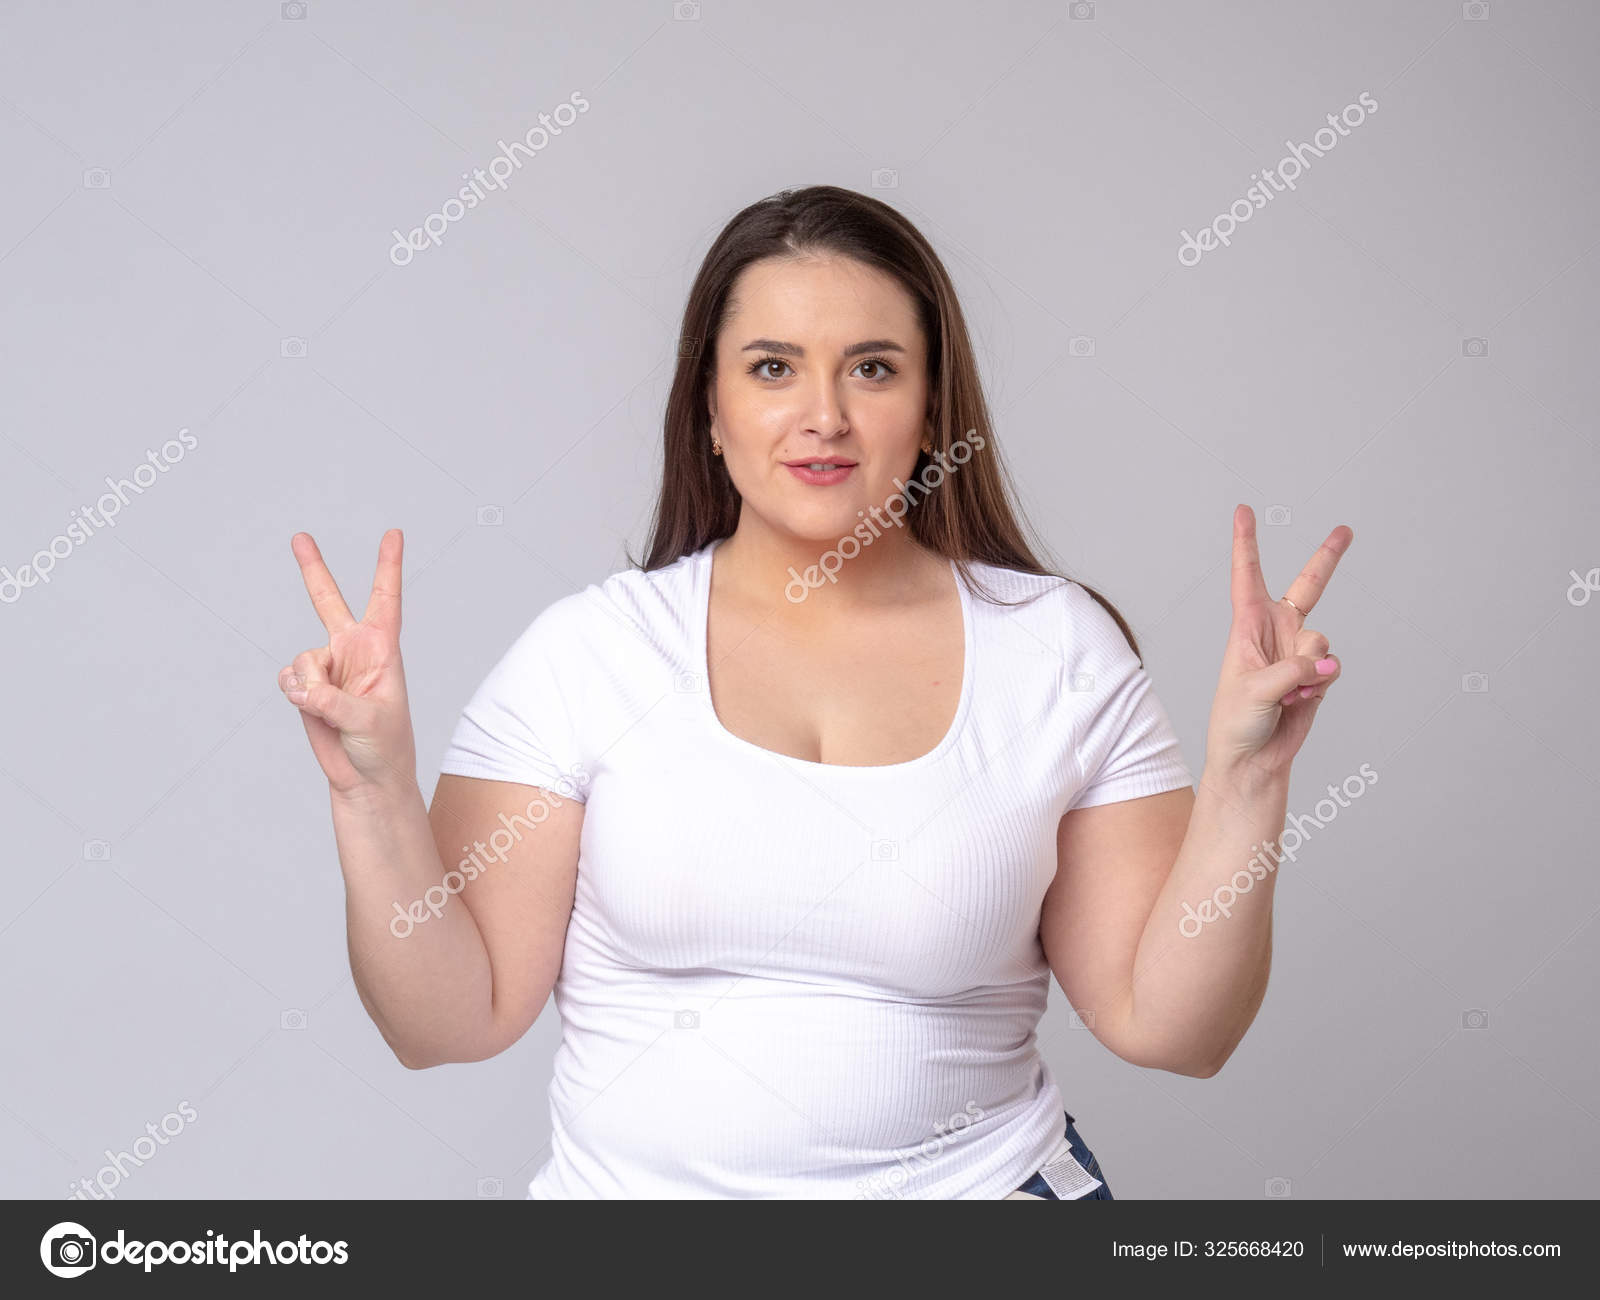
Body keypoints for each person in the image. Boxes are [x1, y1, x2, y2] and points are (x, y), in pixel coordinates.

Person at [278, 185, 1351, 1199]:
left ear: (933, 409)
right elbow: (447, 1022)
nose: (824, 415)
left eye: (873, 368)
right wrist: (371, 793)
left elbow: (1172, 1028)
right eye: (773, 367)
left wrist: (1249, 779)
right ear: (710, 407)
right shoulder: (588, 654)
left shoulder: (1055, 650)